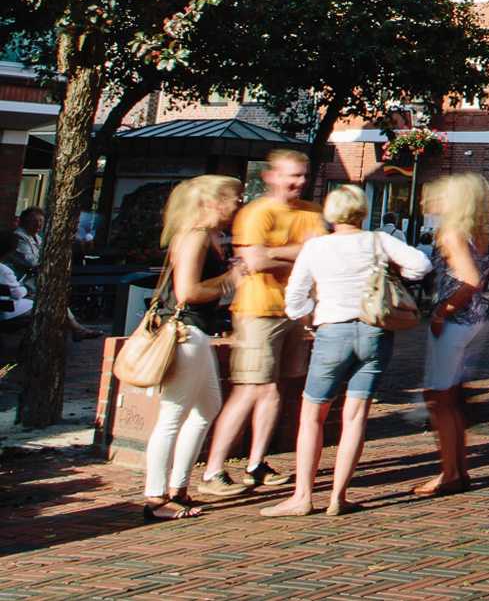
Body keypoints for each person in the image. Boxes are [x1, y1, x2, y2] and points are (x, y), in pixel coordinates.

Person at [261, 184, 430, 516]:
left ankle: (303, 496)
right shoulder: (378, 240)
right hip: (374, 330)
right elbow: (421, 265)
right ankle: (339, 496)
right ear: (362, 211)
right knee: (355, 417)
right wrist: (395, 273)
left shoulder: (317, 247)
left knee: (313, 415)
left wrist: (309, 315)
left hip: (332, 330)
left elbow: (294, 298)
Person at [200, 149, 325, 496]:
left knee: (277, 389)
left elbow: (319, 256)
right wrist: (301, 251)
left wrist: (276, 253)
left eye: (303, 175)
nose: (299, 182)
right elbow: (254, 260)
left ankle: (256, 464)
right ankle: (213, 469)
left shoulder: (312, 212)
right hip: (258, 309)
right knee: (253, 389)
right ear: (271, 176)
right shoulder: (256, 213)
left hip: (294, 311)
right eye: (292, 175)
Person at [139, 176, 243, 521]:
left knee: (206, 407)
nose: (238, 203)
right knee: (173, 415)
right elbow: (187, 292)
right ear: (213, 202)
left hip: (197, 332)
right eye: (233, 197)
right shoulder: (195, 237)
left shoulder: (206, 237)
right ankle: (156, 497)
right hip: (185, 331)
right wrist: (230, 279)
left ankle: (177, 488)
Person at [416, 174, 489, 498]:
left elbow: (470, 279)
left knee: (438, 399)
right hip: (476, 320)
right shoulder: (479, 234)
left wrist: (441, 311)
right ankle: (459, 469)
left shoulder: (451, 233)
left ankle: (449, 474)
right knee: (452, 399)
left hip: (455, 322)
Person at [5, 207, 101, 341]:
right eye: (35, 221)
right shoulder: (19, 238)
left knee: (54, 296)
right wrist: (49, 260)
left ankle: (76, 329)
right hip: (23, 285)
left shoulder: (37, 237)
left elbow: (45, 259)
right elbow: (33, 262)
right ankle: (75, 329)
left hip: (30, 285)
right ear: (25, 221)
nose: (39, 225)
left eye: (41, 221)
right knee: (52, 299)